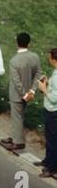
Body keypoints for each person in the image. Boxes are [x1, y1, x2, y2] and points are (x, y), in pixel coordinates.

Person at [3, 32, 41, 153]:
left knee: (17, 117)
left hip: (17, 95)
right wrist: (32, 91)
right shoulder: (35, 57)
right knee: (19, 116)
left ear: (17, 43)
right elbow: (38, 75)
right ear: (28, 44)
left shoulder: (14, 61)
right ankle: (14, 136)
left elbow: (16, 81)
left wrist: (24, 94)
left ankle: (18, 142)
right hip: (28, 93)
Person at [38, 48, 57, 179]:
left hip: (53, 112)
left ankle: (51, 168)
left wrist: (44, 89)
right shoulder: (55, 73)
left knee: (53, 140)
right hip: (50, 110)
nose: (48, 58)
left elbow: (54, 97)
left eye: (49, 56)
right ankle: (47, 161)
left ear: (53, 59)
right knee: (49, 138)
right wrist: (48, 83)